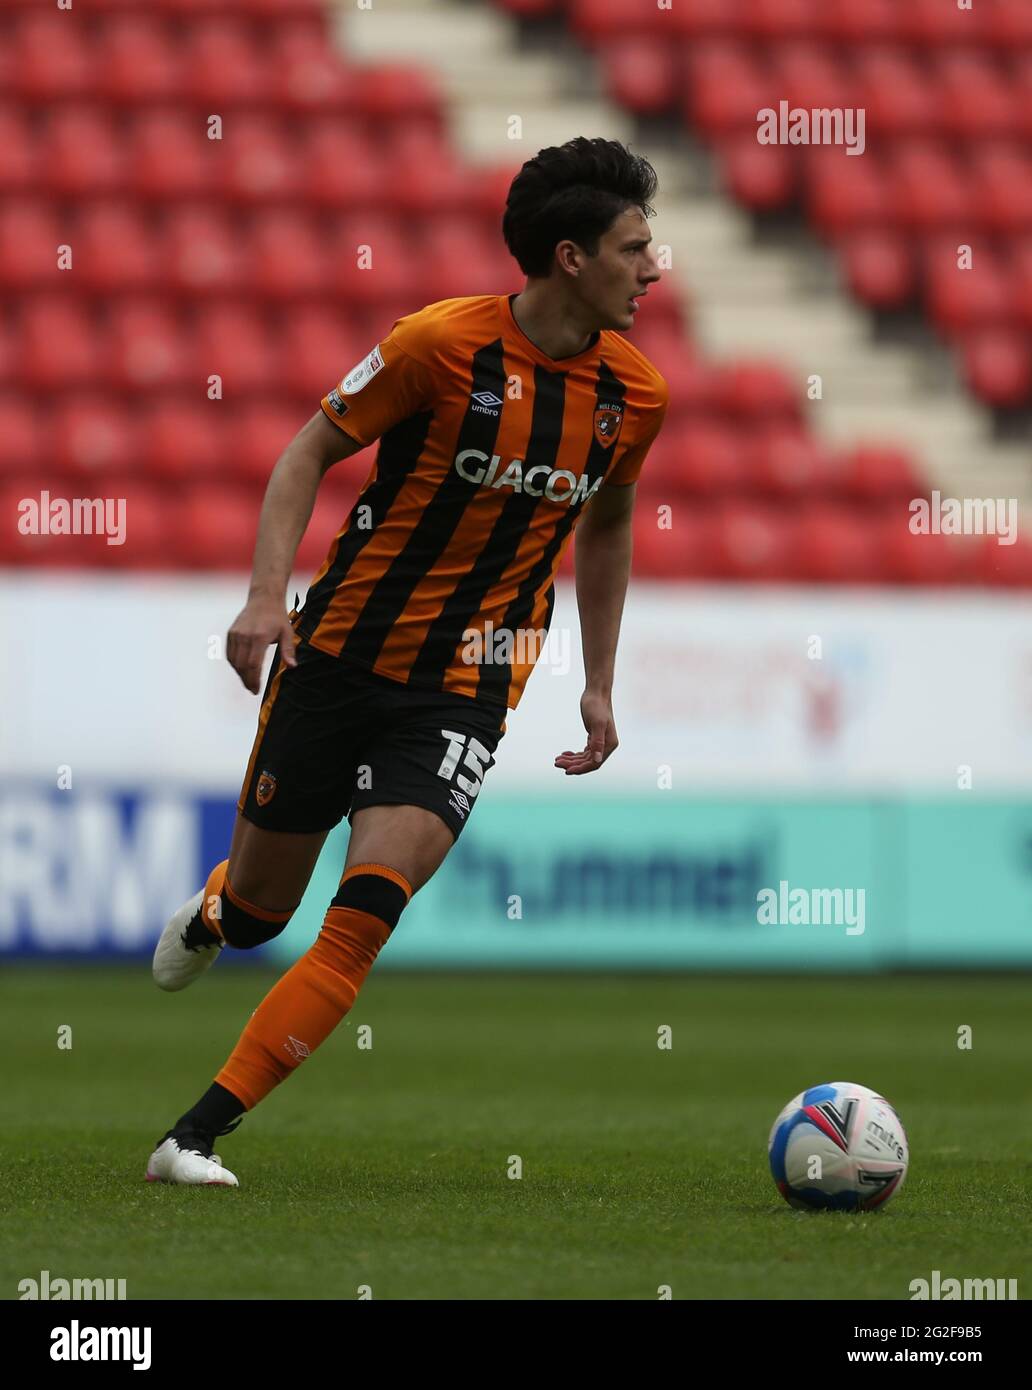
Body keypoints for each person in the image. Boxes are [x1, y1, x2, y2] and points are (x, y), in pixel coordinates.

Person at [146, 135, 668, 1186]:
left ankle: (191, 1136)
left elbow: (605, 530)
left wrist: (601, 682)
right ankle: (214, 912)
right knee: (261, 913)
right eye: (635, 247)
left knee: (365, 912)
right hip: (339, 652)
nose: (654, 269)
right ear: (570, 257)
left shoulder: (634, 396)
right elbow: (308, 451)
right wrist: (263, 596)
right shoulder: (437, 346)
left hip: (471, 681)